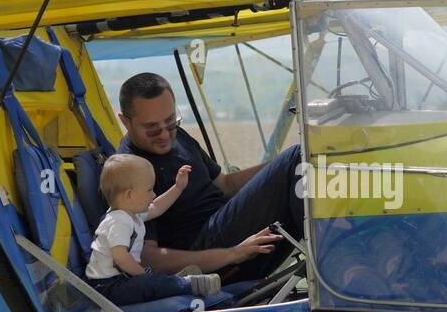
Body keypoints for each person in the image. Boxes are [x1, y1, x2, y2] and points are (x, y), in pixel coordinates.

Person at [116, 72, 305, 281]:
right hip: (209, 258)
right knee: (297, 158)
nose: (163, 134)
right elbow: (147, 258)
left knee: (305, 157)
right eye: (151, 128)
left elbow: (225, 184)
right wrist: (231, 254)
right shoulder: (129, 171)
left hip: (228, 229)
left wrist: (279, 168)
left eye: (170, 122)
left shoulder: (179, 137)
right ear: (125, 121)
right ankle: (334, 274)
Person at [85, 153, 222, 306]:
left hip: (121, 279)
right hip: (107, 288)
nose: (154, 194)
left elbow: (156, 207)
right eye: (149, 190)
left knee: (152, 279)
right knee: (149, 283)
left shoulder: (129, 213)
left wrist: (178, 187)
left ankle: (175, 282)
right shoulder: (118, 221)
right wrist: (142, 275)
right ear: (129, 195)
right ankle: (187, 285)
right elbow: (120, 257)